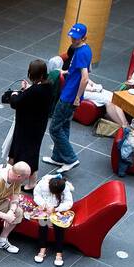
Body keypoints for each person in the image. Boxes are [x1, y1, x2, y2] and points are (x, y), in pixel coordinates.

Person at [46, 22, 91, 172]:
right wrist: (67, 73)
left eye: (76, 37)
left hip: (69, 96)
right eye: (72, 36)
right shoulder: (84, 50)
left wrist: (77, 97)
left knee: (54, 129)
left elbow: (85, 77)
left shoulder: (82, 52)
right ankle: (58, 157)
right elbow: (78, 72)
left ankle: (70, 158)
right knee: (64, 125)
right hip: (70, 93)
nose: (73, 39)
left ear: (83, 37)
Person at [5, 58, 57, 175]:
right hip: (39, 124)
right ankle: (13, 173)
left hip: (26, 126)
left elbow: (16, 102)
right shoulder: (48, 86)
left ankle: (15, 175)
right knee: (31, 151)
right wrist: (28, 88)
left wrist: (14, 94)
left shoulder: (35, 90)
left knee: (21, 151)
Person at [30, 172, 72, 267]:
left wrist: (56, 209)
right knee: (43, 224)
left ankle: (59, 252)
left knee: (59, 226)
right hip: (44, 209)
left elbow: (69, 202)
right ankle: (42, 248)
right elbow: (37, 195)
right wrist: (43, 205)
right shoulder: (42, 184)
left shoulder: (64, 187)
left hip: (58, 211)